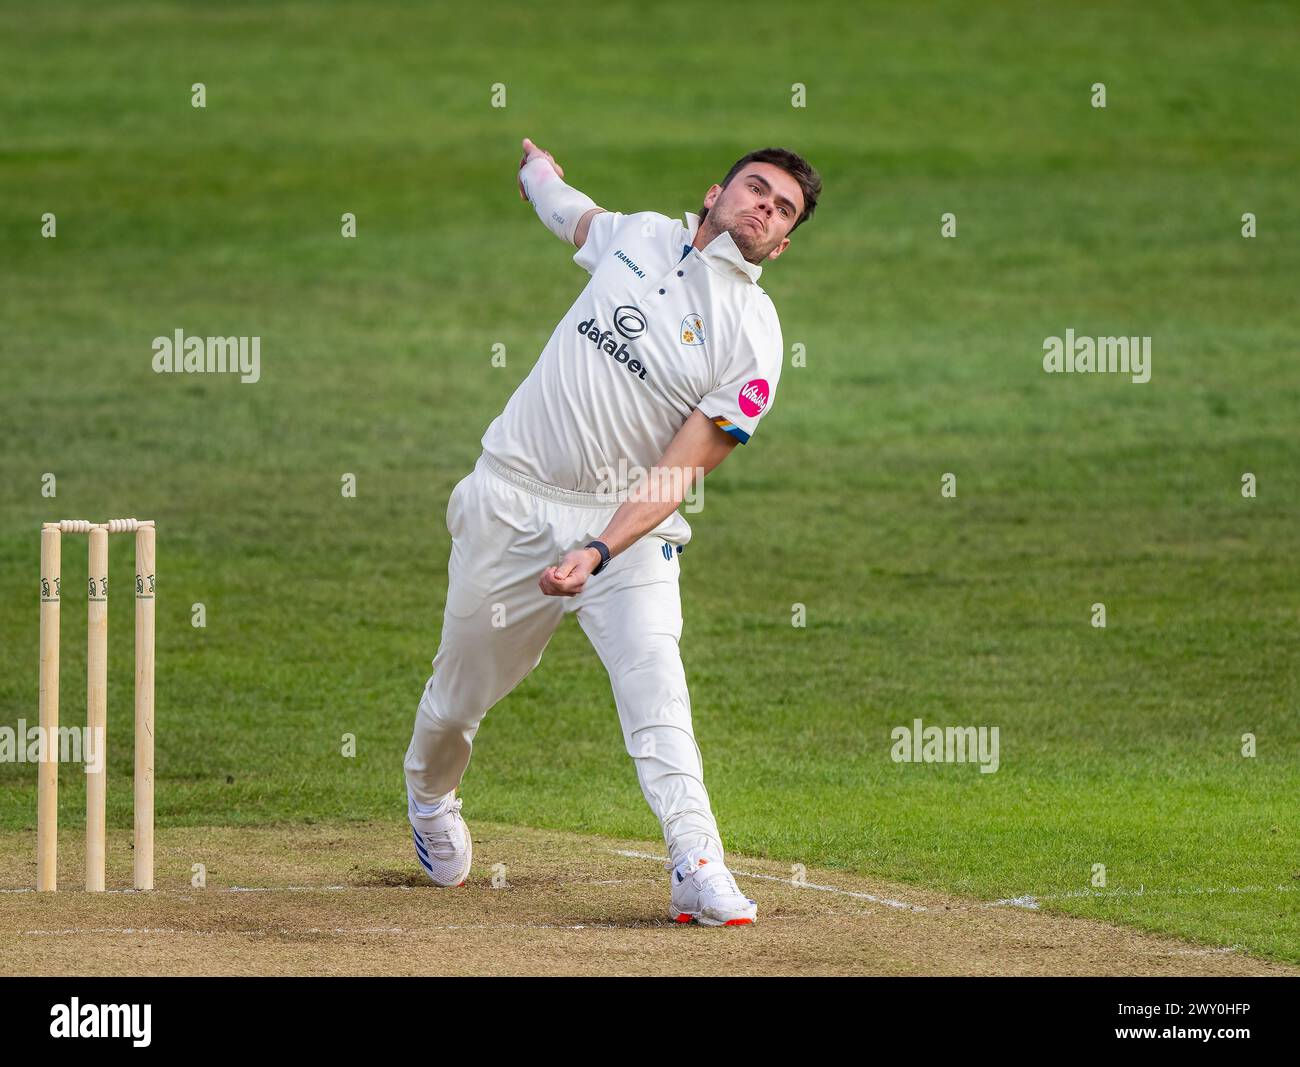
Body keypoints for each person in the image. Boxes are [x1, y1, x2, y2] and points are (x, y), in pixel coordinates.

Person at [403, 136, 821, 926]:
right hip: (510, 500)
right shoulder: (638, 236)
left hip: (623, 532)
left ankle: (697, 864)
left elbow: (681, 468)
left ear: (783, 242)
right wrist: (537, 173)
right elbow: (575, 217)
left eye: (781, 208)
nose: (763, 206)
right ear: (714, 192)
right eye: (755, 188)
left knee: (658, 687)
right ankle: (430, 798)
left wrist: (599, 547)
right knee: (459, 701)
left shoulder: (752, 331)